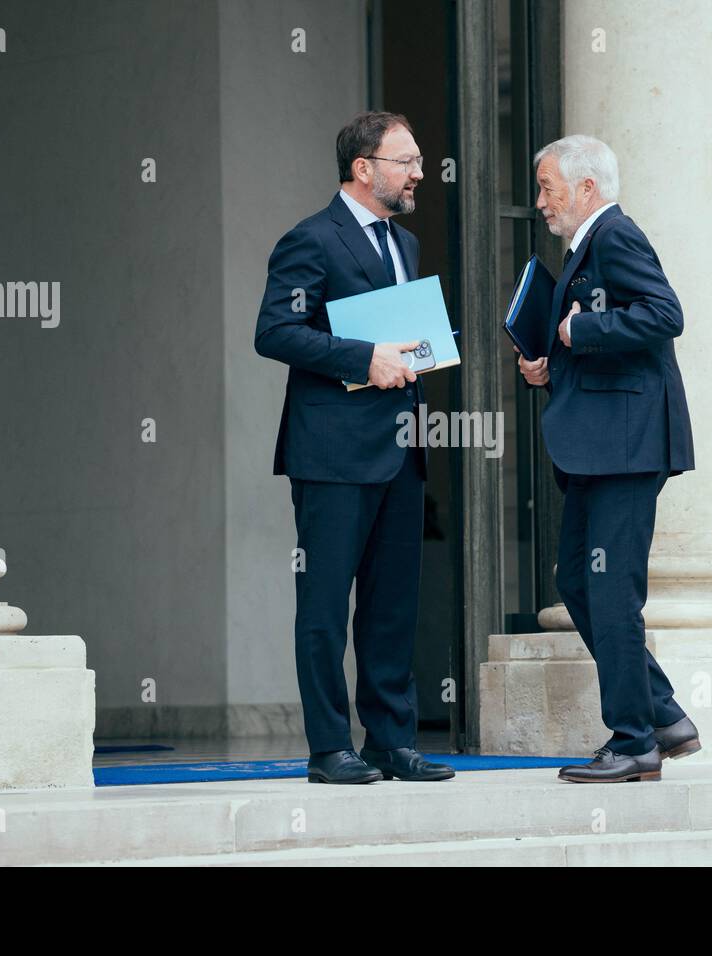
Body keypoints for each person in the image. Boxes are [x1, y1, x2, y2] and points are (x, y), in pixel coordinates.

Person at [254, 111, 454, 785]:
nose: (419, 173)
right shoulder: (309, 240)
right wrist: (362, 357)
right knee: (324, 606)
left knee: (392, 607)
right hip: (332, 453)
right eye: (406, 161)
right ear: (363, 169)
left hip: (400, 448)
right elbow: (274, 331)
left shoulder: (408, 244)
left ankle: (391, 742)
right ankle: (328, 748)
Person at [519, 134, 700, 783]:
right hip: (602, 445)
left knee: (611, 591)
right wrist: (554, 362)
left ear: (586, 188)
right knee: (578, 581)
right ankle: (663, 716)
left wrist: (578, 331)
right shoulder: (588, 244)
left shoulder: (616, 235)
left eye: (548, 187)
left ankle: (634, 742)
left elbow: (664, 314)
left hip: (626, 447)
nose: (540, 201)